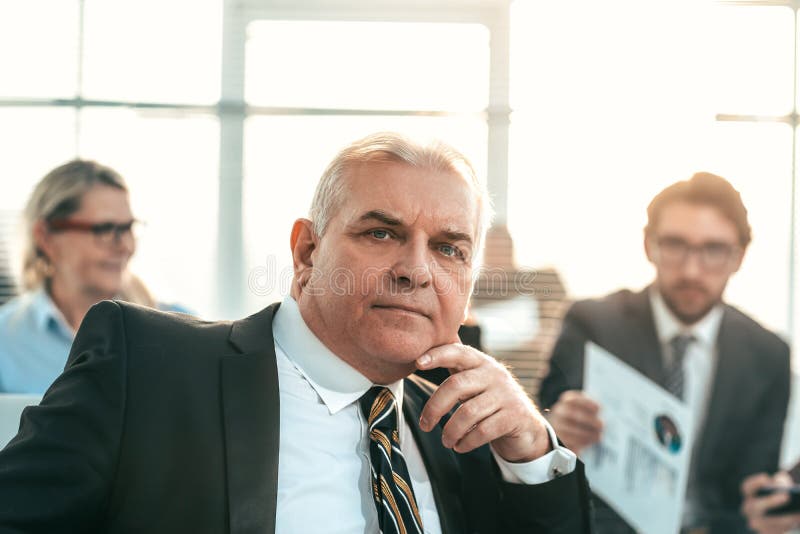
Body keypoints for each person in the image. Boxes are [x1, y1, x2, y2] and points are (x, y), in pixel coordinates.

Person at [0, 133, 591, 533]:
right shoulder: (150, 366)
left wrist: (536, 454)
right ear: (306, 251)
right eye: (380, 233)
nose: (416, 269)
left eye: (449, 248)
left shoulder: (467, 425)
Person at [539, 172, 790, 533]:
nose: (691, 270)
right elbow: (547, 435)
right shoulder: (592, 325)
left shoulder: (769, 356)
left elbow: (749, 492)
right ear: (649, 246)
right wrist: (555, 433)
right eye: (675, 244)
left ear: (739, 257)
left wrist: (766, 508)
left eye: (713, 250)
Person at [0, 159, 187, 394]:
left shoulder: (180, 328)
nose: (125, 246)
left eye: (128, 227)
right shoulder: (5, 341)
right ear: (45, 237)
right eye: (104, 229)